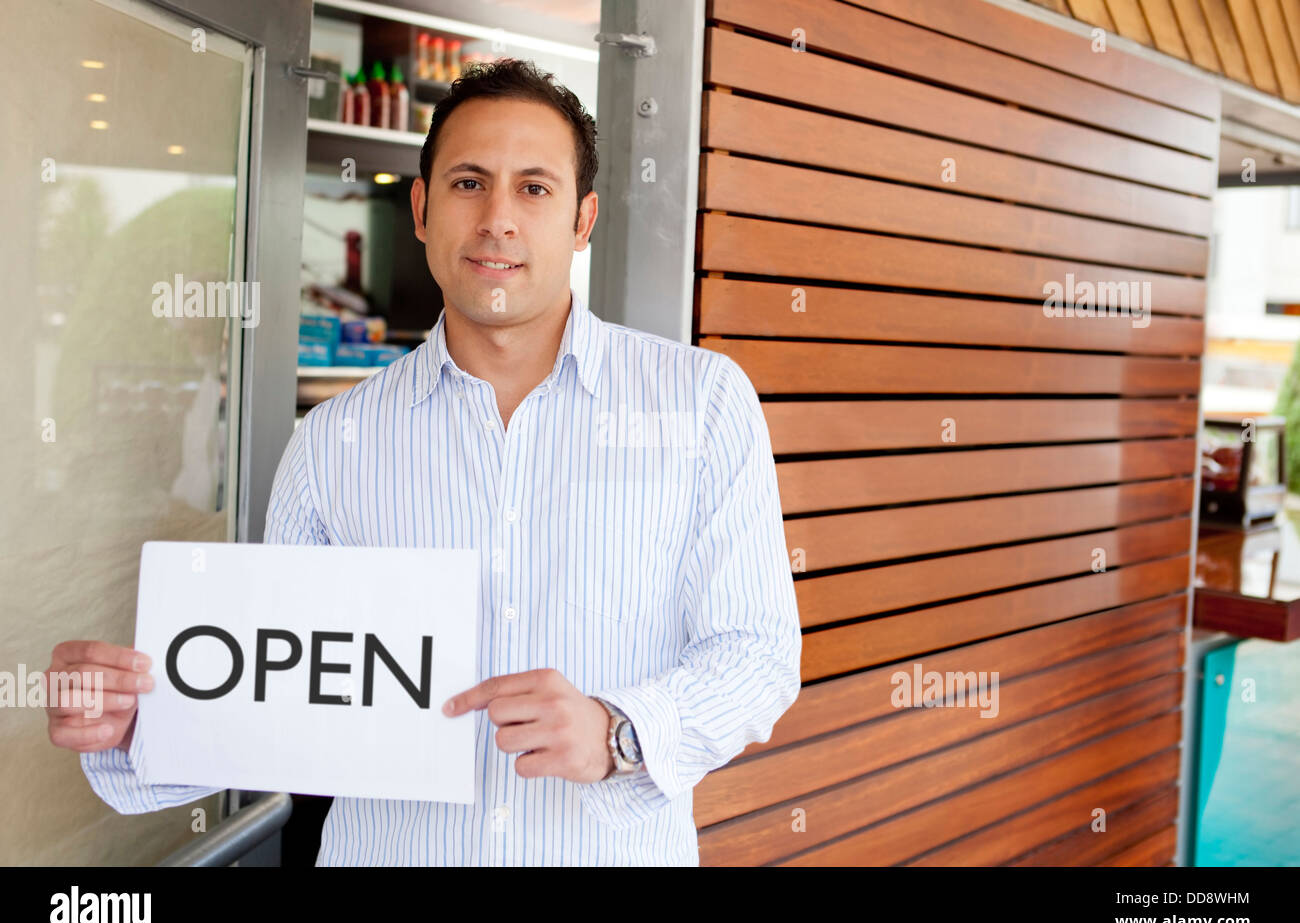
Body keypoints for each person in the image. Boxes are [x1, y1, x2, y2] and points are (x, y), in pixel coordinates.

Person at [47, 58, 801, 865]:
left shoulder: (701, 405)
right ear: (421, 207)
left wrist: (618, 732)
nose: (497, 219)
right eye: (469, 183)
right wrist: (138, 724)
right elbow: (274, 703)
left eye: (534, 188)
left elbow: (757, 656)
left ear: (582, 221)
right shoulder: (334, 442)